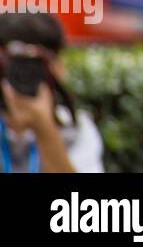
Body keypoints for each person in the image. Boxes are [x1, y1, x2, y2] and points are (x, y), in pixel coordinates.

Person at [0, 12, 104, 174]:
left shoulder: (75, 128)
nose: (23, 74)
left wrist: (44, 129)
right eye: (13, 64)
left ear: (56, 69)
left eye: (34, 65)